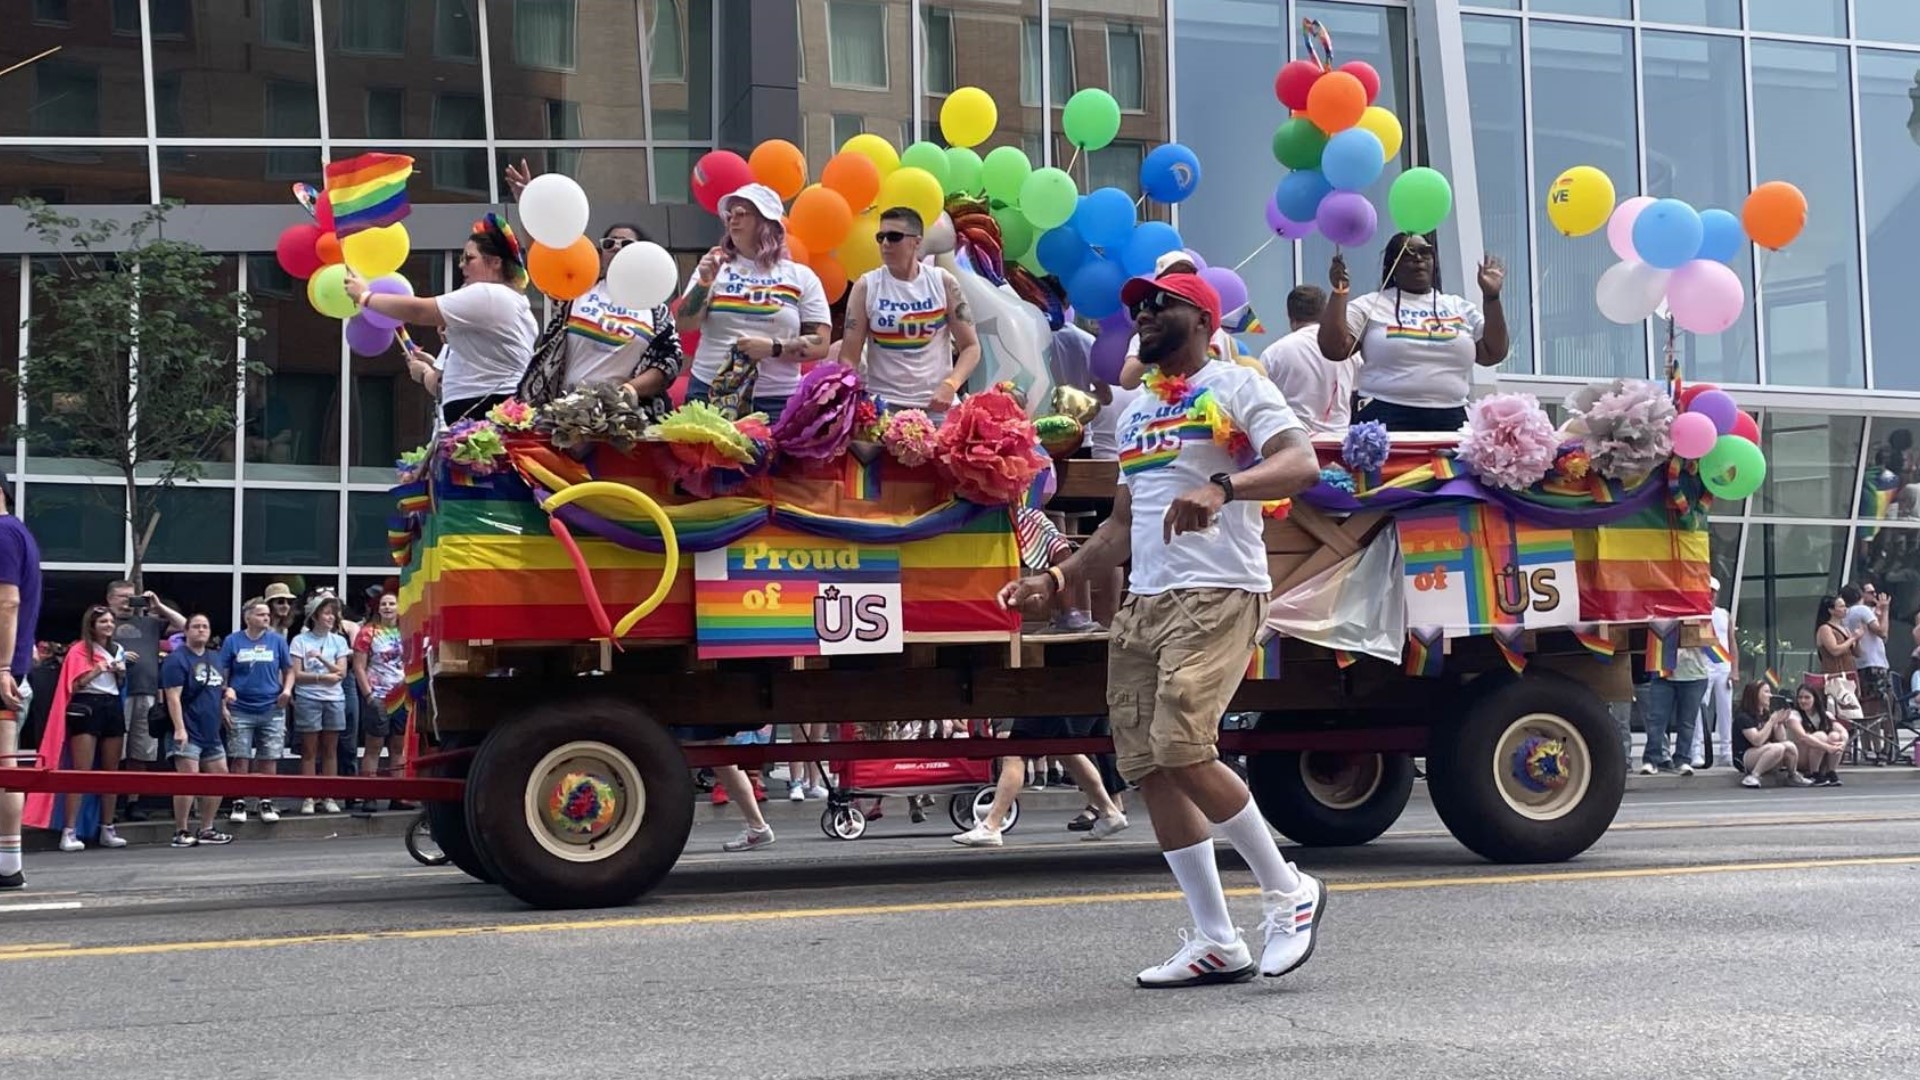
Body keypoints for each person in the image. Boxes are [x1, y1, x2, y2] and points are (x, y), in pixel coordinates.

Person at [1000, 270, 1326, 987]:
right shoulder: (1139, 407)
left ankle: (1288, 890)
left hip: (1217, 592)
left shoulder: (1240, 387)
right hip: (1145, 601)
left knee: (1182, 745)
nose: (1142, 315)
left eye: (1159, 305)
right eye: (1137, 307)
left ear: (1203, 319)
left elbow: (1300, 462)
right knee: (1150, 768)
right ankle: (1217, 940)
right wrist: (1055, 580)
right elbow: (1121, 524)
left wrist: (1224, 486)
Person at [347, 213, 538, 424]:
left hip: (486, 411)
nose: (462, 265)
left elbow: (419, 311)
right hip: (488, 410)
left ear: (495, 262)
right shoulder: (508, 300)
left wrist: (365, 297)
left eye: (469, 258)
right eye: (461, 259)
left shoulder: (489, 294)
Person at [1318, 232, 1510, 431]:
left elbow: (1492, 353)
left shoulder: (1459, 307)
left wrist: (1492, 298)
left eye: (1425, 252)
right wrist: (1339, 292)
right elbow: (1334, 349)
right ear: (1392, 265)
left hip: (1452, 416)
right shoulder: (1371, 304)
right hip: (1385, 414)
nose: (1418, 258)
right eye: (1408, 254)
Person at [677, 183, 831, 422]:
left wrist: (773, 347)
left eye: (741, 213)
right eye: (730, 215)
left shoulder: (801, 276)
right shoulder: (715, 267)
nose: (732, 221)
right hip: (711, 392)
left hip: (775, 400)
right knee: (710, 461)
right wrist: (704, 282)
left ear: (766, 222)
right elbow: (685, 324)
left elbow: (820, 343)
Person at [511, 213, 686, 413]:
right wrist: (526, 202)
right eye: (609, 243)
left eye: (626, 244)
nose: (617, 248)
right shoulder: (579, 289)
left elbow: (669, 362)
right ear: (601, 253)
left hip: (625, 416)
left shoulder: (655, 310)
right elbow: (543, 256)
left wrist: (627, 392)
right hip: (566, 411)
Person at [837, 207, 982, 417]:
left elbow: (971, 347)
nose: (885, 244)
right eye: (881, 237)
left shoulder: (943, 282)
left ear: (917, 241)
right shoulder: (866, 286)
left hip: (937, 406)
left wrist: (951, 384)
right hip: (883, 407)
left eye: (894, 237)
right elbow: (849, 356)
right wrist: (856, 398)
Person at [951, 717, 1128, 847]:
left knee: (1015, 752)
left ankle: (991, 825)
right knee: (1065, 750)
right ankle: (1109, 812)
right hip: (1065, 688)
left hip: (1051, 691)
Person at [56, 606, 132, 852]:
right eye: (103, 622)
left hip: (112, 705)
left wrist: (120, 673)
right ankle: (69, 830)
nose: (108, 625)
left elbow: (118, 684)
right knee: (81, 771)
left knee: (111, 771)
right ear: (92, 625)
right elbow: (74, 685)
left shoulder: (118, 649)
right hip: (87, 705)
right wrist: (98, 669)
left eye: (111, 621)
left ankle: (107, 827)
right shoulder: (79, 649)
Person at [1115, 252, 1240, 391]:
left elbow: (1232, 372)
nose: (1142, 315)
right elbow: (1127, 381)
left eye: (1188, 273)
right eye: (1164, 298)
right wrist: (1152, 346)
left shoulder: (1240, 386)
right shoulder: (1148, 332)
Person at [162, 614, 234, 847]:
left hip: (211, 730)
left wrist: (225, 700)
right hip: (188, 729)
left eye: (205, 626)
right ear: (186, 630)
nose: (201, 630)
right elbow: (173, 697)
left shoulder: (215, 657)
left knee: (219, 776)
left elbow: (216, 686)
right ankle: (181, 830)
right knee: (188, 780)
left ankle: (207, 828)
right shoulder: (177, 659)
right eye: (196, 626)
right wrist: (179, 729)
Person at [0, 481, 41, 890]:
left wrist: (1, 667)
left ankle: (9, 864)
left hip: (2, 672)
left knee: (4, 766)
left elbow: (7, 602)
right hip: (11, 669)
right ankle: (8, 863)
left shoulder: (3, 533)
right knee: (4, 766)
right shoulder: (18, 533)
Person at [221, 598, 294, 823]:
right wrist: (225, 692)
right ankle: (239, 801)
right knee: (240, 756)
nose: (266, 618)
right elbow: (223, 673)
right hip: (241, 707)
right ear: (248, 617)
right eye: (261, 614)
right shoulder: (233, 641)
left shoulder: (277, 640)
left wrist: (287, 690)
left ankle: (265, 800)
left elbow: (289, 669)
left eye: (267, 615)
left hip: (272, 706)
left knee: (269, 756)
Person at [105, 579, 185, 779]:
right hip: (115, 692)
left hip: (146, 692)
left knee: (141, 751)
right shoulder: (104, 624)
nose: (127, 602)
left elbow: (185, 626)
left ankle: (134, 801)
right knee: (114, 751)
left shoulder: (149, 623)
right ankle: (111, 801)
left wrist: (159, 607)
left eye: (131, 598)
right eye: (122, 597)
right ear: (109, 599)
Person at [1261, 285, 1359, 437]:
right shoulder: (1347, 351)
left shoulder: (1274, 353)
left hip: (1295, 443)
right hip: (1339, 444)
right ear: (1325, 311)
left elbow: (1262, 402)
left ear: (1289, 315)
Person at [290, 595, 350, 815]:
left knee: (330, 749)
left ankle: (329, 794)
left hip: (334, 699)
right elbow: (297, 674)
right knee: (309, 750)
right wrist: (323, 678)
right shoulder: (300, 640)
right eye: (326, 613)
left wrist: (323, 660)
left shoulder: (339, 641)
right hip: (308, 697)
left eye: (333, 613)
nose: (331, 617)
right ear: (314, 616)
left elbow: (341, 672)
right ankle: (308, 796)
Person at [353, 591, 407, 807]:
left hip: (403, 697)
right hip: (378, 696)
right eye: (383, 604)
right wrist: (368, 695)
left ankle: (398, 796)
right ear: (378, 608)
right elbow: (358, 666)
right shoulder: (368, 632)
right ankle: (369, 795)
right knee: (373, 746)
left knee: (398, 747)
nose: (387, 607)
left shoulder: (407, 630)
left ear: (398, 607)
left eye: (391, 603)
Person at [1842, 582, 1897, 764]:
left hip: (1860, 665)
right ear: (1861, 595)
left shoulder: (1846, 615)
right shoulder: (1862, 611)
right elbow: (1883, 632)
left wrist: (1879, 612)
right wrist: (1886, 610)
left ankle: (1869, 749)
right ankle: (1881, 749)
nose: (1874, 595)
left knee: (1866, 709)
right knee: (1881, 707)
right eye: (1870, 592)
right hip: (1875, 665)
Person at [1638, 644, 1708, 778]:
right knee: (1656, 720)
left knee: (1687, 722)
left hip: (1695, 674)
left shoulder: (1707, 622)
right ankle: (1651, 759)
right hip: (1663, 674)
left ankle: (1682, 759)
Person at [1731, 681, 1810, 789]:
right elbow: (1757, 741)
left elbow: (1781, 739)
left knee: (1789, 746)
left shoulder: (1766, 714)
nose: (1770, 695)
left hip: (1766, 751)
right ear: (1755, 694)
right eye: (1766, 692)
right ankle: (1754, 775)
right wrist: (1772, 721)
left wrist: (1780, 722)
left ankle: (1792, 775)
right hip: (1745, 757)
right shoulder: (1744, 716)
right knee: (1778, 748)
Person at [1696, 579, 1736, 769]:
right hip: (1702, 666)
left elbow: (1731, 641)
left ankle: (1726, 751)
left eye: (1714, 592)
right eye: (1708, 591)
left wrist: (1734, 669)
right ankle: (1696, 750)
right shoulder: (1696, 614)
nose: (1711, 595)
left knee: (1725, 710)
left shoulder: (1724, 614)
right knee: (1699, 710)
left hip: (1723, 666)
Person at [1782, 682, 1847, 787]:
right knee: (1820, 736)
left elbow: (1842, 731)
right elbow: (1803, 737)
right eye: (1800, 697)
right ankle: (1814, 773)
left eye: (1807, 697)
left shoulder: (1825, 715)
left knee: (1835, 736)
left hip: (1820, 756)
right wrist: (1828, 747)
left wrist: (1843, 742)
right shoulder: (1793, 716)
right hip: (1800, 757)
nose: (1803, 701)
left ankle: (1831, 772)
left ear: (1815, 699)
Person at [1814, 594, 1860, 677]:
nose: (1845, 609)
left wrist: (1857, 639)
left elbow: (1857, 653)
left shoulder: (1845, 629)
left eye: (1845, 606)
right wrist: (1853, 638)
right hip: (1834, 675)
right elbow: (1835, 650)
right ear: (1831, 610)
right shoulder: (1825, 629)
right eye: (1841, 607)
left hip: (1849, 674)